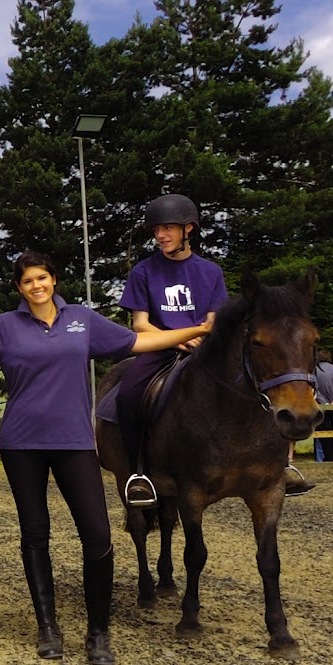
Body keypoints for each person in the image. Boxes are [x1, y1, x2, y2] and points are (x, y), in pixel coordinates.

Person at [0, 252, 210, 665]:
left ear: (54, 280)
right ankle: (48, 626)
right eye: (28, 281)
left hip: (74, 443)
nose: (37, 286)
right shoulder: (4, 327)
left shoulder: (83, 321)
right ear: (20, 288)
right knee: (36, 534)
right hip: (22, 445)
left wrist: (193, 330)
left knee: (98, 536)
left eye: (43, 278)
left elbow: (138, 342)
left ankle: (99, 632)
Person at [114, 194, 227, 507]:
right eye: (156, 230)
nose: (160, 235)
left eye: (167, 228)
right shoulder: (144, 272)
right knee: (127, 396)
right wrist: (173, 338)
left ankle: (275, 464)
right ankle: (138, 472)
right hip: (160, 347)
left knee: (252, 380)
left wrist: (202, 339)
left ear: (188, 229)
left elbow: (214, 320)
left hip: (205, 349)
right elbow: (140, 324)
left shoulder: (210, 272)